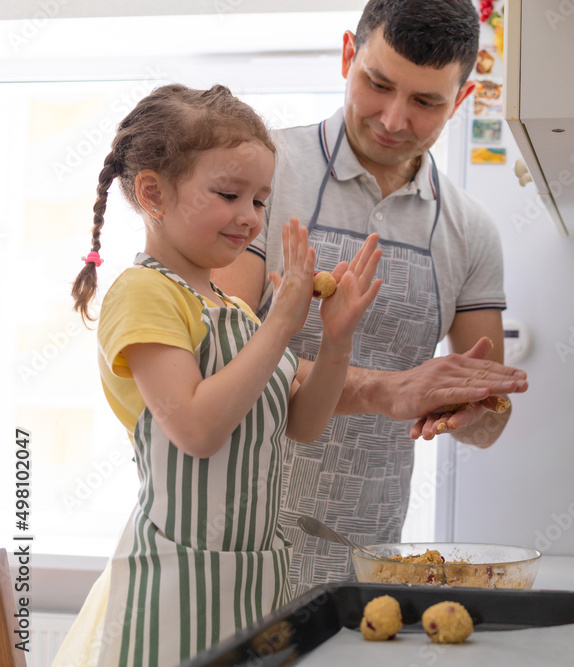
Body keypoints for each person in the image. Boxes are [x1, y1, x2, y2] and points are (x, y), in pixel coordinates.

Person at [57, 83, 383, 666]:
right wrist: (281, 323)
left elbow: (304, 423)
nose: (250, 218)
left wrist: (336, 340)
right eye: (230, 194)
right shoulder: (143, 293)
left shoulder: (234, 310)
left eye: (260, 201)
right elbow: (197, 429)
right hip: (173, 589)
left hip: (255, 581)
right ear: (153, 193)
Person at [212, 0, 527, 595]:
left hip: (365, 561)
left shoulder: (471, 231)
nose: (393, 119)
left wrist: (477, 409)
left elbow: (487, 424)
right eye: (377, 84)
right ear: (347, 57)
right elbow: (221, 360)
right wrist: (389, 390)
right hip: (233, 550)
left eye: (426, 101)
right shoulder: (260, 178)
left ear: (460, 100)